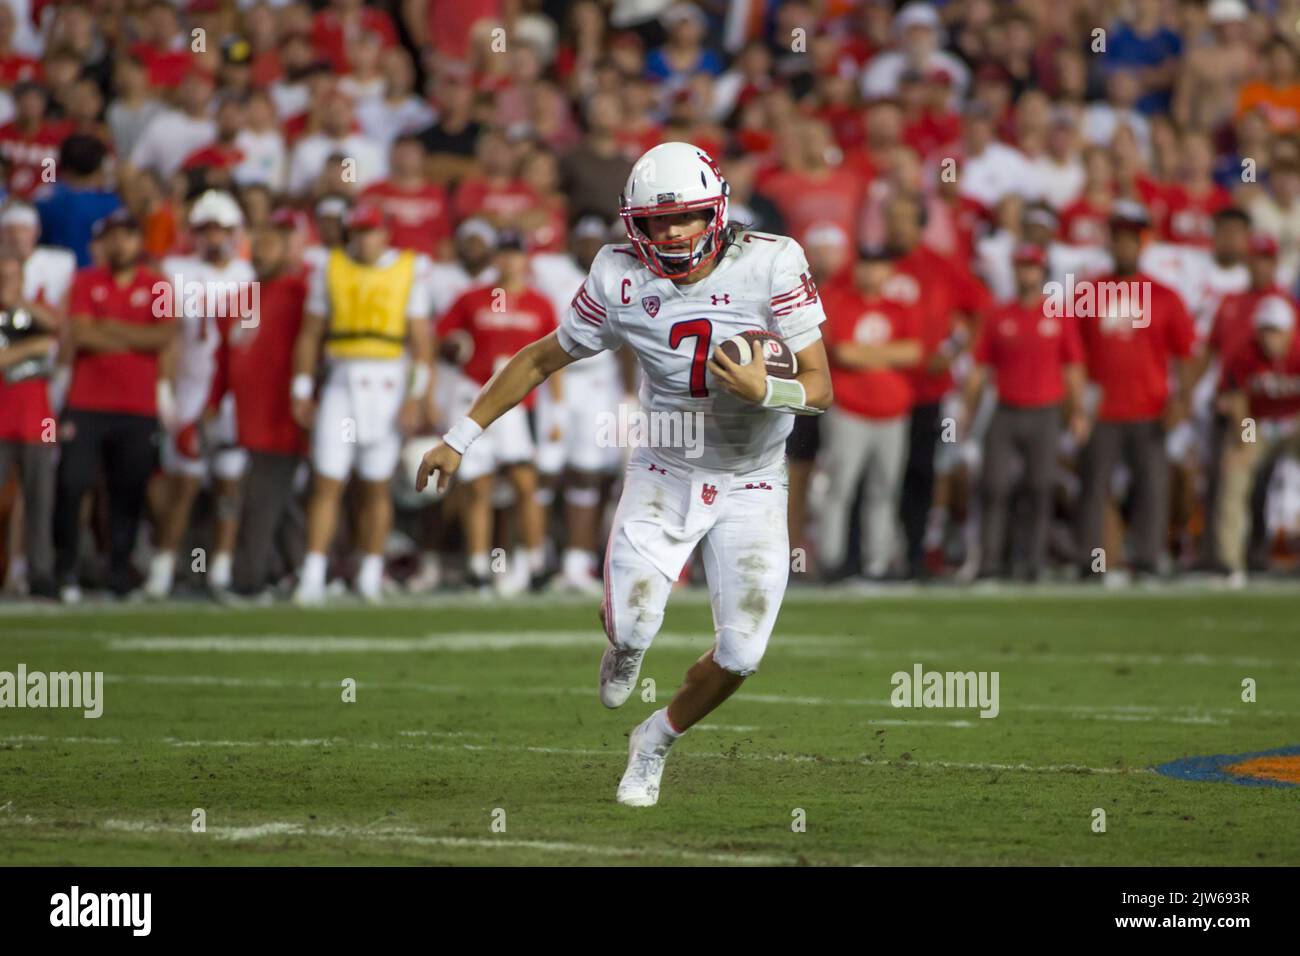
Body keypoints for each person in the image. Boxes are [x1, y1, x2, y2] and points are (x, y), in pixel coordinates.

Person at [416, 143, 833, 806]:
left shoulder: (772, 260)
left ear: (716, 211)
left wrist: (765, 391)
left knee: (742, 655)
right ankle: (627, 647)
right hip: (664, 467)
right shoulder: (618, 274)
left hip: (753, 479)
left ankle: (655, 740)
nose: (670, 235)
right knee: (634, 626)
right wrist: (459, 437)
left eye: (686, 219)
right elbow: (539, 359)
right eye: (655, 223)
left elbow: (820, 385)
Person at [291, 202, 434, 605]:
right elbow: (309, 333)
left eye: (370, 231)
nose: (363, 239)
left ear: (385, 233)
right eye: (357, 231)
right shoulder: (330, 267)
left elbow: (422, 342)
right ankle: (314, 573)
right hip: (342, 377)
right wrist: (302, 388)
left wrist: (415, 396)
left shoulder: (410, 268)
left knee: (376, 484)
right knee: (327, 479)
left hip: (388, 380)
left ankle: (370, 571)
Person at [52, 211, 175, 600]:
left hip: (136, 405)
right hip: (86, 401)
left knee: (130, 489)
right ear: (103, 243)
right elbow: (82, 333)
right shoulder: (86, 281)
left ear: (139, 241)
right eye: (113, 237)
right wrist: (134, 337)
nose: (121, 244)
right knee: (73, 484)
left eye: (128, 235)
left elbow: (163, 336)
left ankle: (118, 573)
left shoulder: (156, 285)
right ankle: (65, 569)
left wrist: (110, 328)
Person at [963, 243, 1087, 580]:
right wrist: (967, 413)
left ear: (1042, 272)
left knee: (1040, 487)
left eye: (1031, 267)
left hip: (1046, 409)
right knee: (994, 485)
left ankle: (1033, 563)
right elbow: (979, 369)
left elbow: (1073, 368)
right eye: (1020, 266)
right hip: (1006, 409)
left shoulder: (1058, 315)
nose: (1026, 273)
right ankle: (990, 561)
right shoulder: (998, 314)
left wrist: (1077, 412)